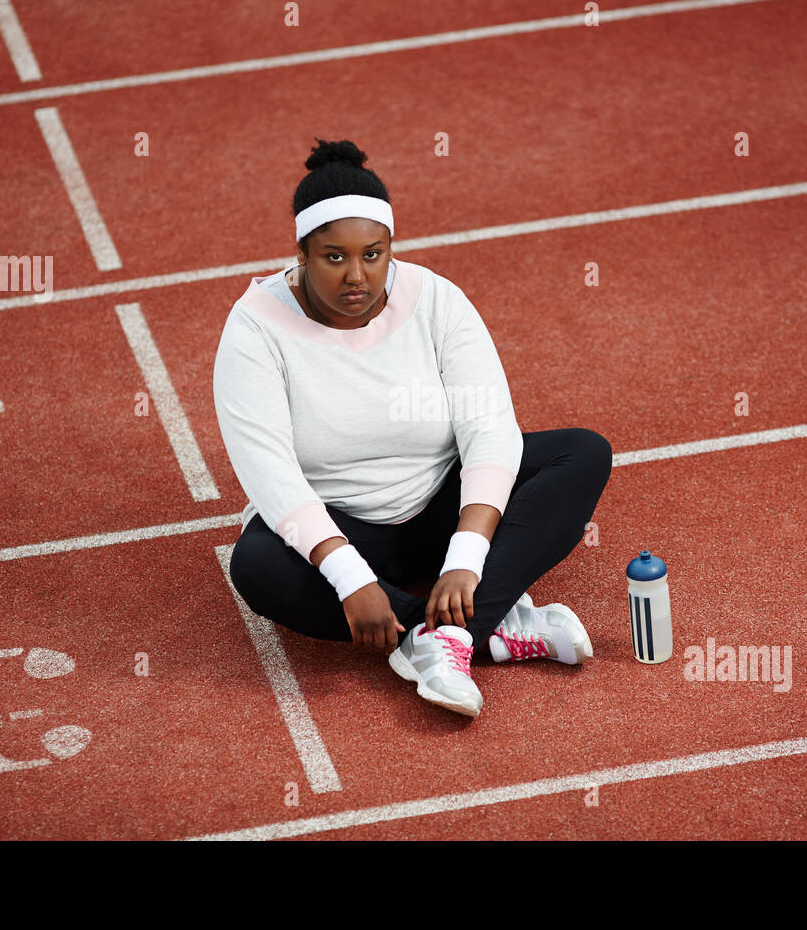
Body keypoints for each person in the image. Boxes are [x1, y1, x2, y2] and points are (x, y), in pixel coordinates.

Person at [213, 138, 611, 718]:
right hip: (343, 525)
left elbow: (490, 428)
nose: (357, 276)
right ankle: (477, 629)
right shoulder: (254, 329)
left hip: (440, 506)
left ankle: (447, 636)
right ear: (301, 252)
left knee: (580, 453)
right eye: (334, 257)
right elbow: (269, 472)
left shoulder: (436, 299)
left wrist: (466, 558)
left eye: (373, 254)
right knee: (256, 565)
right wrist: (350, 579)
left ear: (391, 246)